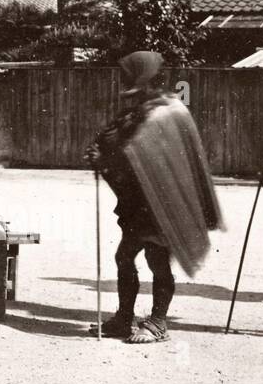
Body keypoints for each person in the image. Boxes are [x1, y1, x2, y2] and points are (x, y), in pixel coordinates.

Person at [86, 50, 221, 344]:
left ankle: (158, 322)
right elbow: (119, 148)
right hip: (138, 204)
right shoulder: (138, 109)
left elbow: (159, 159)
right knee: (124, 257)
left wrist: (112, 158)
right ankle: (124, 317)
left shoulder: (169, 111)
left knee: (157, 261)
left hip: (163, 203)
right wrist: (102, 157)